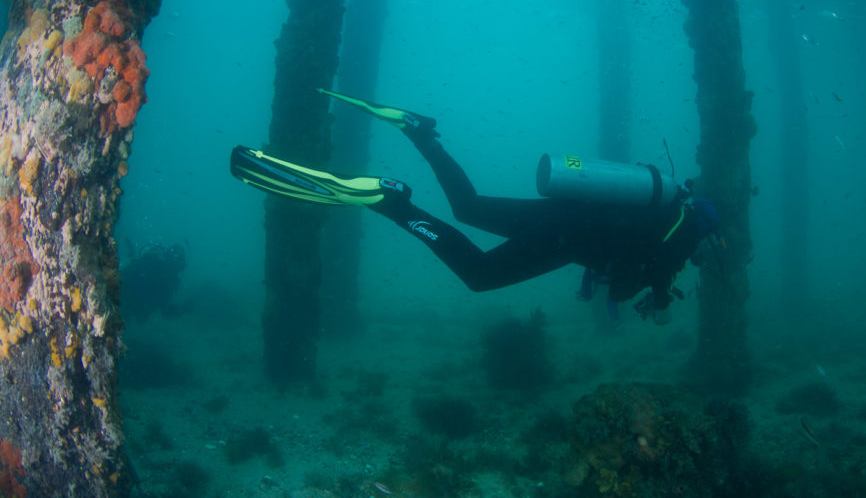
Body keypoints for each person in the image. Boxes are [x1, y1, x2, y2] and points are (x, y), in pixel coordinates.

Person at [230, 90, 720, 325]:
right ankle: (393, 203)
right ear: (707, 235)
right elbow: (634, 283)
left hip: (568, 215)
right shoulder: (679, 246)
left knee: (468, 206)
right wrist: (656, 301)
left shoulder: (668, 214)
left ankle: (421, 133)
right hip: (570, 236)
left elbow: (621, 254)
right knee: (480, 275)